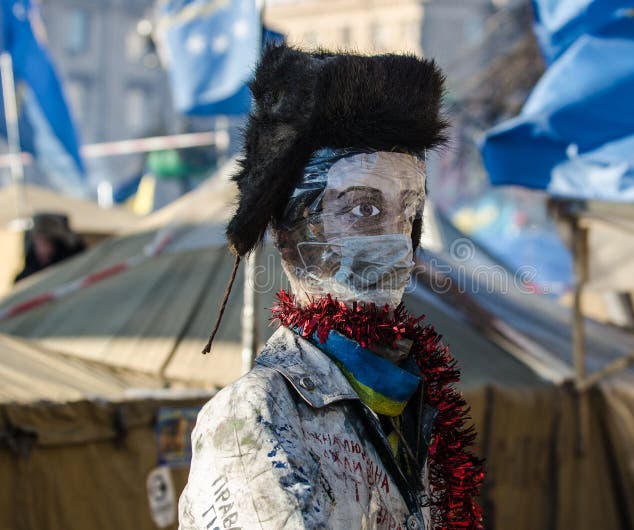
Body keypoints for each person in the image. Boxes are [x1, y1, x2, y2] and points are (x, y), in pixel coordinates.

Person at [179, 45, 483, 530]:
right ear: (288, 233)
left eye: (407, 213)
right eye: (363, 209)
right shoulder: (255, 415)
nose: (397, 245)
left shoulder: (417, 405)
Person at [15, 213, 86, 282]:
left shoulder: (71, 263)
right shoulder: (30, 268)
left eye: (45, 243)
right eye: (37, 244)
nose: (41, 249)